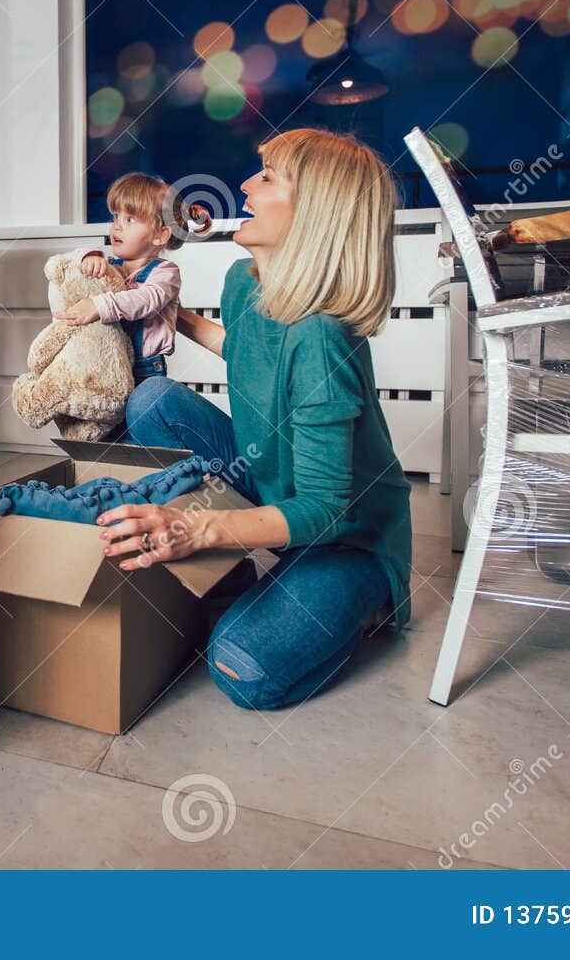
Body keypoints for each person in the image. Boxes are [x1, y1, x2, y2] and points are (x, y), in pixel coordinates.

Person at [95, 128, 413, 711]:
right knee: (153, 400)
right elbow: (246, 351)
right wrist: (171, 312)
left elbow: (326, 508)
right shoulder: (245, 281)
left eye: (266, 178)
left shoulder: (322, 338)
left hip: (346, 534)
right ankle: (252, 568)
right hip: (265, 472)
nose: (243, 185)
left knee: (242, 668)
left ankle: (363, 599)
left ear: (314, 212)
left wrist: (200, 529)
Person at [59, 172, 201, 382]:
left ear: (160, 235)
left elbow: (145, 300)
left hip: (144, 372)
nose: (117, 226)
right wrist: (88, 256)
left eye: (130, 219)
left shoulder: (165, 273)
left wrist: (99, 306)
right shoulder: (108, 264)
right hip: (107, 361)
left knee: (140, 408)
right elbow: (63, 264)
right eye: (115, 216)